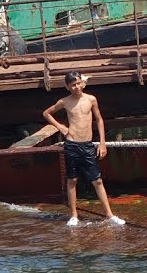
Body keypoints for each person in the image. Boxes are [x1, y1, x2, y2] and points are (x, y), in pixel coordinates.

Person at [42, 71, 125, 226]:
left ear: (82, 83)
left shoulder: (91, 99)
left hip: (87, 145)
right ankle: (73, 215)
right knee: (72, 179)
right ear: (67, 87)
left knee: (97, 181)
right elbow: (46, 113)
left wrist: (102, 143)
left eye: (79, 83)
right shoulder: (65, 101)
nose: (77, 87)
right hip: (72, 144)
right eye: (73, 85)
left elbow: (99, 120)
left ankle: (109, 215)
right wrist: (61, 127)